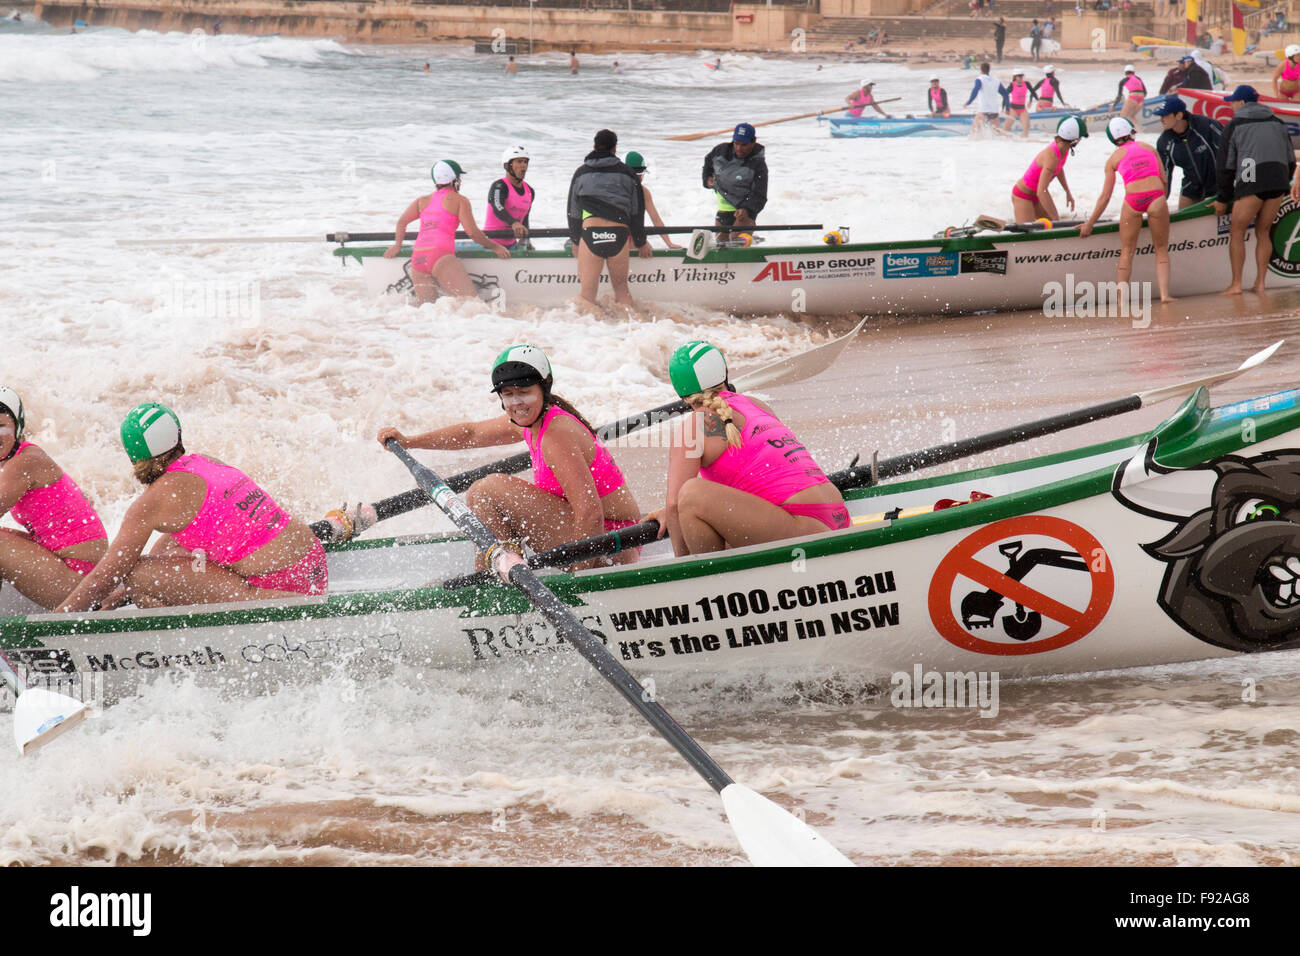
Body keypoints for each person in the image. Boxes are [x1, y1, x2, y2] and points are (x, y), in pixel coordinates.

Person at [377, 346, 640, 571]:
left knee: (486, 491)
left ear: (544, 388)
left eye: (524, 391)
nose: (517, 402)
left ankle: (492, 584)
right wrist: (411, 441)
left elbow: (590, 513)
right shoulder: (529, 420)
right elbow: (471, 434)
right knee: (488, 496)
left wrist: (582, 580)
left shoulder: (556, 434)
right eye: (508, 394)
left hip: (613, 546)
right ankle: (502, 571)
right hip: (600, 537)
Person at [56, 403, 328, 613]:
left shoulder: (153, 501)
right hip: (313, 570)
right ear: (177, 436)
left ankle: (186, 656)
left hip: (279, 591)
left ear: (133, 457)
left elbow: (107, 574)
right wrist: (119, 596)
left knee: (135, 575)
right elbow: (177, 538)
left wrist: (56, 621)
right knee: (167, 556)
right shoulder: (206, 462)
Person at [646, 341, 849, 557]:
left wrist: (681, 569)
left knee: (691, 495)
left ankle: (710, 580)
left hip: (803, 529)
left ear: (680, 390)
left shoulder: (695, 425)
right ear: (724, 373)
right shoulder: (757, 404)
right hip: (839, 518)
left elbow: (675, 505)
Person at [0, 388, 108, 610]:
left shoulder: (23, 464)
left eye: (0, 426)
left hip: (81, 581)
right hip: (78, 571)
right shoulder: (18, 458)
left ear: (18, 427)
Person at [384, 160, 510, 303]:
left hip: (418, 259)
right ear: (454, 179)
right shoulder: (460, 200)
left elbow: (402, 222)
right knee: (471, 306)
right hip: (440, 256)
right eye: (459, 178)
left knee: (428, 312)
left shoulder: (422, 201)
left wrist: (397, 246)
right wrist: (495, 246)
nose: (460, 181)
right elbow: (473, 233)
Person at [1079, 117, 1173, 303]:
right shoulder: (1149, 148)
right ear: (1131, 132)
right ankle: (1164, 295)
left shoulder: (1113, 159)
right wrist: (1160, 203)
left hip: (1133, 201)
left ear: (1112, 139)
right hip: (1156, 197)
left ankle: (1121, 299)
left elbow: (1105, 197)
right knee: (1161, 248)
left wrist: (1089, 224)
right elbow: (1164, 181)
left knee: (1127, 250)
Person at [1214, 85, 1296, 294]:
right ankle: (1260, 283)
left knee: (1237, 232)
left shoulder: (1234, 125)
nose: (1231, 106)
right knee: (1264, 231)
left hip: (1252, 175)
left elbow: (1226, 165)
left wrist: (1223, 198)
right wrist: (1284, 182)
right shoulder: (1278, 122)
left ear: (1241, 103)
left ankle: (1236, 285)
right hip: (1278, 178)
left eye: (1232, 102)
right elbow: (1290, 159)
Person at [566, 129, 652, 310]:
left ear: (594, 146)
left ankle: (590, 333)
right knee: (622, 292)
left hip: (591, 234)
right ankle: (634, 328)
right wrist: (641, 241)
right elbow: (637, 212)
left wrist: (575, 241)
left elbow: (573, 212)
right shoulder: (628, 173)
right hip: (618, 234)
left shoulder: (581, 173)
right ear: (615, 148)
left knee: (587, 295)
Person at [1154, 94, 1224, 209]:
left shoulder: (1206, 126)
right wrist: (1157, 207)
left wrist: (1231, 188)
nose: (1161, 119)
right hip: (1191, 188)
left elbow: (1230, 152)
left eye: (1165, 115)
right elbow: (1164, 176)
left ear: (1179, 115)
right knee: (1181, 217)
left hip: (1218, 185)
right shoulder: (1164, 142)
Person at [1011, 114, 1085, 222]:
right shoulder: (1051, 157)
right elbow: (1042, 191)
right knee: (1029, 234)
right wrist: (1055, 218)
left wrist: (1067, 192)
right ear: (1075, 139)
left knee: (1051, 227)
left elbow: (1059, 169)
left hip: (1037, 195)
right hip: (1023, 196)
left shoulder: (1063, 149)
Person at [702, 122, 768, 240]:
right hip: (724, 210)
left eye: (744, 145)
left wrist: (747, 210)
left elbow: (760, 196)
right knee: (721, 246)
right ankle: (752, 240)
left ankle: (749, 237)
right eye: (736, 143)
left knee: (736, 244)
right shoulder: (720, 151)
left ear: (753, 142)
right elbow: (707, 162)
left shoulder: (759, 165)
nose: (739, 148)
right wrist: (707, 179)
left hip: (744, 213)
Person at [625, 151, 681, 249]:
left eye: (641, 175)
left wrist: (669, 243)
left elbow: (656, 219)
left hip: (626, 234)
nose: (639, 178)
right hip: (622, 234)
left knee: (646, 248)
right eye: (637, 175)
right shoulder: (618, 189)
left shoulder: (644, 191)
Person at [485, 144, 534, 250]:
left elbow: (525, 219)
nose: (523, 166)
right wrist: (514, 223)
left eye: (525, 162)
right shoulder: (499, 186)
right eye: (519, 161)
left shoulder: (530, 191)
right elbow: (497, 206)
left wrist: (527, 241)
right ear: (507, 165)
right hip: (490, 244)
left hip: (512, 245)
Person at [966, 61, 1004, 133]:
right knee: (997, 135)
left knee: (974, 133)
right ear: (989, 70)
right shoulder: (996, 81)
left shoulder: (979, 79)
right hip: (994, 110)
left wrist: (968, 102)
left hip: (984, 110)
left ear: (981, 70)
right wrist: (1007, 108)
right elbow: (1005, 94)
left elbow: (975, 91)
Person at [1002, 69, 1037, 137]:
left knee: (1026, 126)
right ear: (1015, 77)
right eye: (1019, 76)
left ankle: (1023, 141)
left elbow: (1033, 92)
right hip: (1013, 109)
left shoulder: (1026, 83)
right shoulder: (1012, 85)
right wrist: (1005, 108)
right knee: (1006, 128)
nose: (1021, 78)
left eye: (1022, 76)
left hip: (1022, 109)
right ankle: (1004, 141)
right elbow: (1005, 96)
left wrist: (1034, 100)